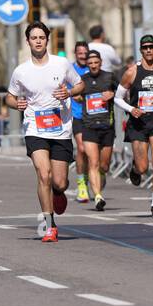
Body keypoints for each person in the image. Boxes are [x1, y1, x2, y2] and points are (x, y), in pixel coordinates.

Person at [6, 21, 84, 243]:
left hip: (60, 129)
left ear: (47, 40)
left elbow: (80, 85)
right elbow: (9, 96)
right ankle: (50, 226)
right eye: (34, 38)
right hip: (34, 128)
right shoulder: (21, 71)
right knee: (43, 174)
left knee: (59, 182)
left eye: (41, 37)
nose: (38, 41)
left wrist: (69, 92)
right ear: (28, 41)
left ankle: (58, 194)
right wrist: (16, 104)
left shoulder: (62, 64)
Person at [117, 34, 153, 218]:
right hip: (138, 124)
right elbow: (117, 98)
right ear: (141, 50)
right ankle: (134, 167)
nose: (148, 50)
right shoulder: (132, 72)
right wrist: (131, 109)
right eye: (145, 47)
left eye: (151, 47)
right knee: (143, 168)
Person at [78, 49, 119, 211]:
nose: (94, 66)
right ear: (87, 65)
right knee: (93, 163)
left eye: (96, 63)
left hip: (107, 127)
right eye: (90, 63)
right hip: (88, 126)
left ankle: (101, 179)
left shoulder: (109, 77)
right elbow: (75, 93)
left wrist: (113, 94)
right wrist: (75, 96)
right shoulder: (82, 80)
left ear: (101, 63)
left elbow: (124, 93)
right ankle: (97, 196)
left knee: (104, 165)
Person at [69, 40, 92, 202]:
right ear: (75, 54)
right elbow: (65, 89)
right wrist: (73, 94)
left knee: (94, 155)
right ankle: (81, 184)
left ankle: (94, 177)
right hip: (77, 116)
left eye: (85, 53)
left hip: (95, 117)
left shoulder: (93, 67)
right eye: (80, 53)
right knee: (82, 149)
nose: (83, 56)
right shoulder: (70, 69)